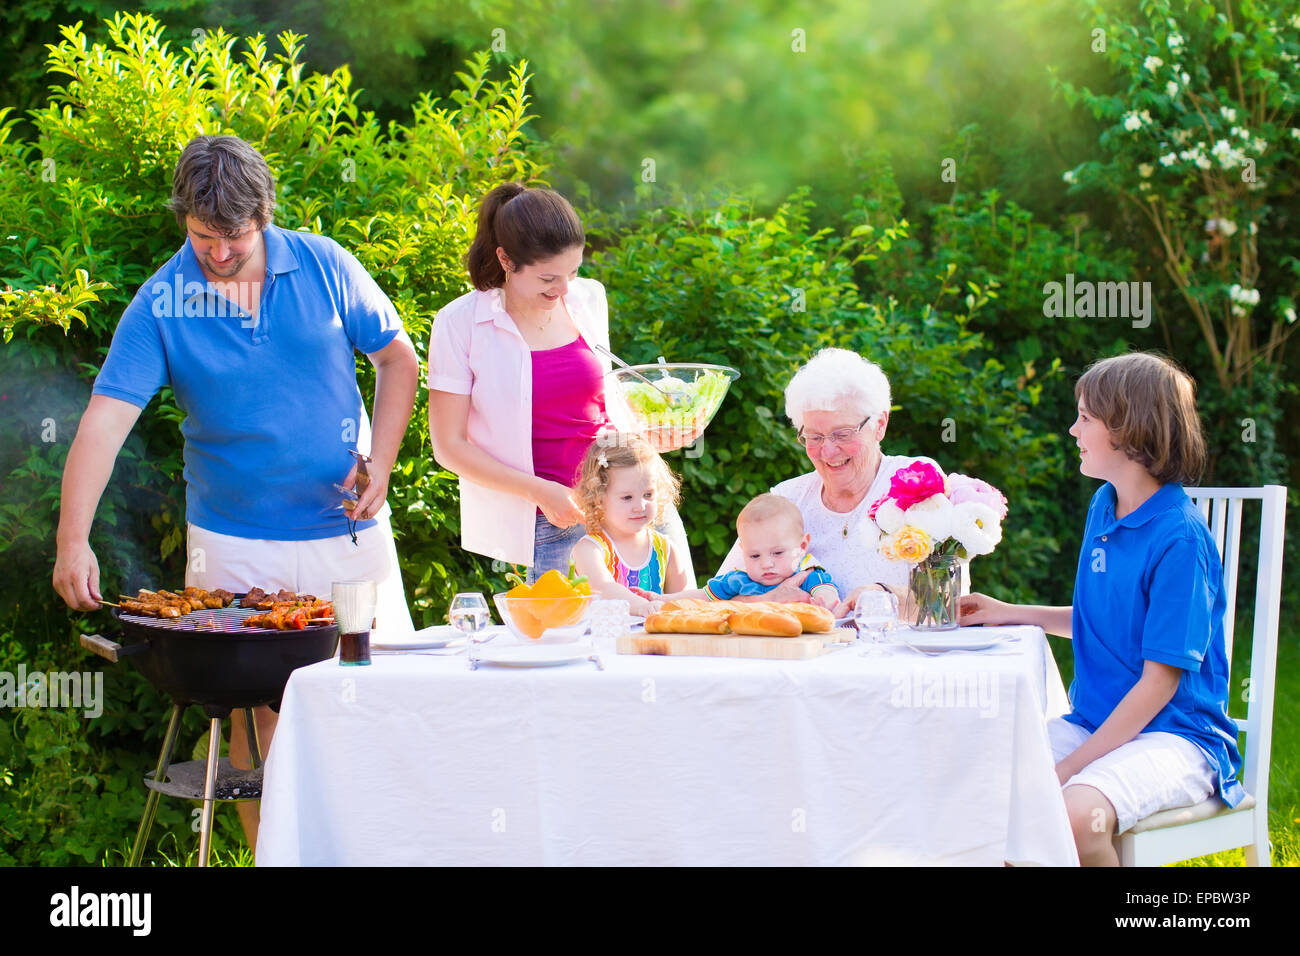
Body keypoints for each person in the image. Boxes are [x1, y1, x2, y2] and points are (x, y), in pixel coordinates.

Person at [51, 134, 420, 848]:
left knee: (380, 704)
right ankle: (274, 860)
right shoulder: (163, 298)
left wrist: (382, 459)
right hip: (233, 544)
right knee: (258, 721)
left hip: (348, 539)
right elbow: (105, 420)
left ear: (266, 217)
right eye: (201, 238)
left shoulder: (324, 264)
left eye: (235, 240)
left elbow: (398, 358)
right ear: (183, 220)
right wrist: (73, 539)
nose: (218, 255)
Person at [961, 352, 1245, 866]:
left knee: (1072, 813)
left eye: (1085, 418)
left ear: (1130, 429)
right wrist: (1007, 610)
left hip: (1177, 736)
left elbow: (1159, 683)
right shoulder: (1105, 505)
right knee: (980, 777)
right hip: (1097, 720)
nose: (1073, 429)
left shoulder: (1181, 539)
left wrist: (1069, 768)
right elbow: (1102, 622)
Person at [427, 182, 695, 584]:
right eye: (549, 277)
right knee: (564, 640)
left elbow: (603, 406)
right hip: (549, 517)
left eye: (574, 271)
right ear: (505, 259)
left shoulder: (588, 298)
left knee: (675, 623)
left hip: (634, 498)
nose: (565, 289)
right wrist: (542, 492)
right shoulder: (460, 323)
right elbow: (449, 447)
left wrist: (653, 435)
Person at [715, 347, 940, 613]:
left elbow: (949, 600)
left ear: (880, 425)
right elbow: (718, 599)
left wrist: (884, 595)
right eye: (814, 437)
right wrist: (766, 600)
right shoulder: (786, 500)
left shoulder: (916, 482)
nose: (828, 451)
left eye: (843, 434)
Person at [569, 434, 690, 616]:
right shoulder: (589, 550)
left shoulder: (665, 548)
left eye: (648, 495)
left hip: (654, 641)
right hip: (606, 641)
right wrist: (642, 606)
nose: (640, 506)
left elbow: (682, 604)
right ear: (599, 498)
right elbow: (604, 588)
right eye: (627, 498)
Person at [660, 493, 839, 608]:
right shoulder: (738, 580)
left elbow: (826, 592)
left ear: (801, 547)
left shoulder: (807, 576)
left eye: (777, 553)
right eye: (754, 555)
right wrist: (661, 600)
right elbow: (701, 596)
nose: (766, 564)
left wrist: (823, 602)